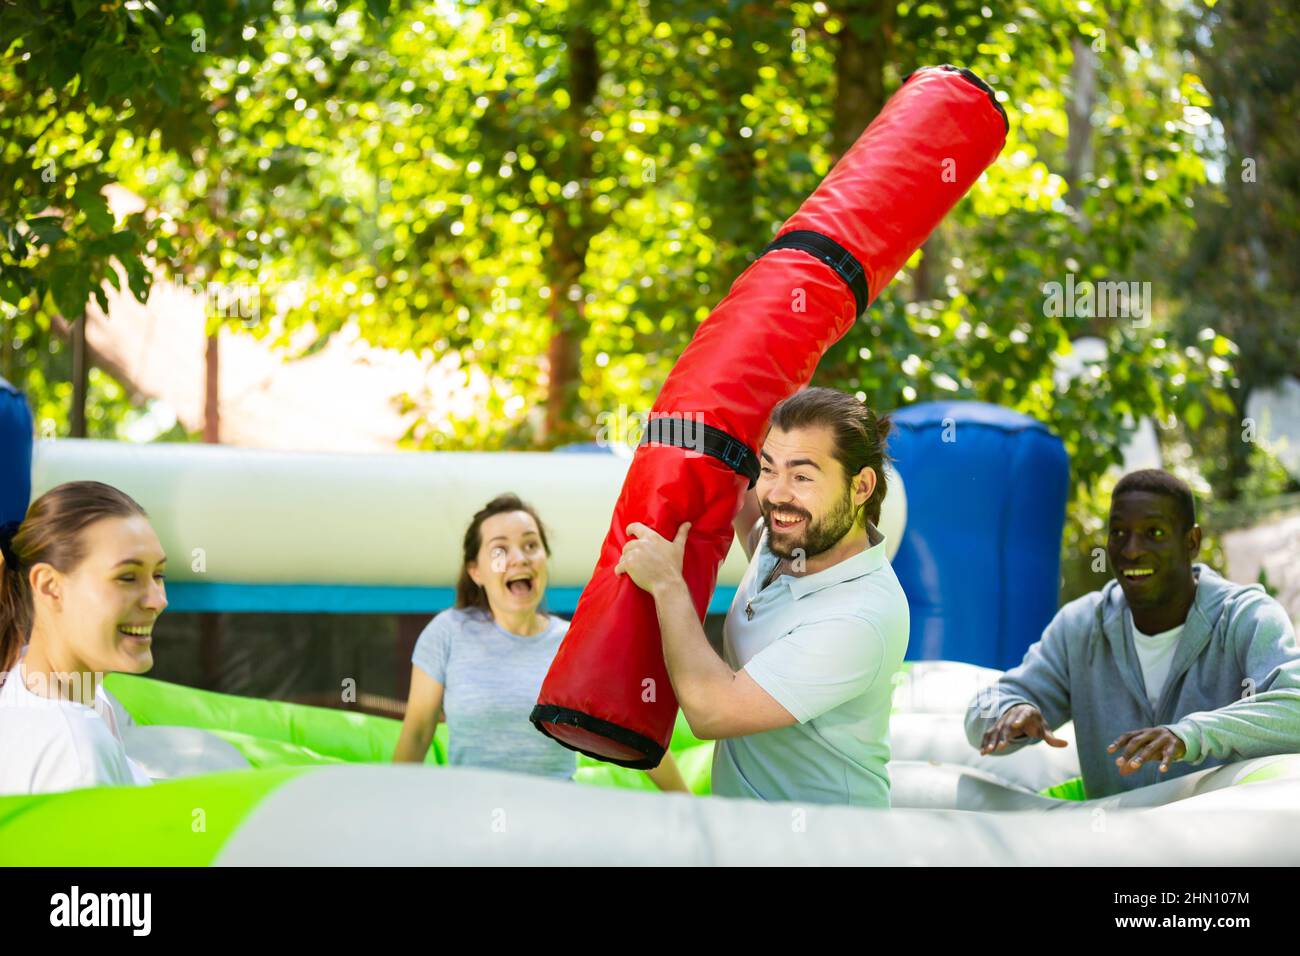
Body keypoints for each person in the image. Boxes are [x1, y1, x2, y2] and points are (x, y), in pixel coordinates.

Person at [614, 387, 910, 807]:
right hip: (753, 835)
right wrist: (702, 429)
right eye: (769, 469)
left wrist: (668, 587)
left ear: (861, 486)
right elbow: (745, 506)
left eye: (802, 476)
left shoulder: (858, 616)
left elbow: (711, 711)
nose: (776, 493)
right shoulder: (791, 542)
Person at [966, 468, 1300, 798]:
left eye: (1154, 533)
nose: (1131, 550)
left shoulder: (1245, 617)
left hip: (1221, 843)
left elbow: (1295, 711)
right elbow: (985, 704)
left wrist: (1192, 735)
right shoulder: (1081, 627)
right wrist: (1010, 711)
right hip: (1115, 844)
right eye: (1119, 533)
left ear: (1191, 541)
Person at [394, 492, 690, 791]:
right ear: (476, 571)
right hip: (473, 819)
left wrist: (690, 806)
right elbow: (418, 733)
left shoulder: (575, 642)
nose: (519, 558)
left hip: (555, 818)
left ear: (544, 559)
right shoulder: (447, 632)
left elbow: (631, 732)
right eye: (500, 550)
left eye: (531, 545)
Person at [0, 481, 163, 795]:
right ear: (49, 586)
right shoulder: (75, 748)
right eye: (127, 577)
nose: (157, 600)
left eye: (158, 575)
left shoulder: (24, 673)